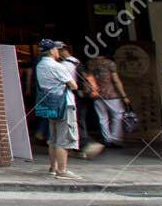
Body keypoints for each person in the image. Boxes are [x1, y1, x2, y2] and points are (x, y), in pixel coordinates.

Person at [34, 40, 79, 178]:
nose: (57, 51)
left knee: (53, 138)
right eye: (56, 49)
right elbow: (73, 85)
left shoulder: (40, 65)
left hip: (49, 104)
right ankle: (62, 170)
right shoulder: (57, 66)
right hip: (63, 105)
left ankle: (53, 168)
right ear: (52, 51)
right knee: (63, 139)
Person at [83, 55, 129, 148]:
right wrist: (124, 95)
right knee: (117, 116)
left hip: (97, 95)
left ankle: (107, 139)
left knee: (102, 118)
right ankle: (115, 138)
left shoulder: (90, 64)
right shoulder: (109, 64)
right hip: (111, 94)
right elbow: (116, 80)